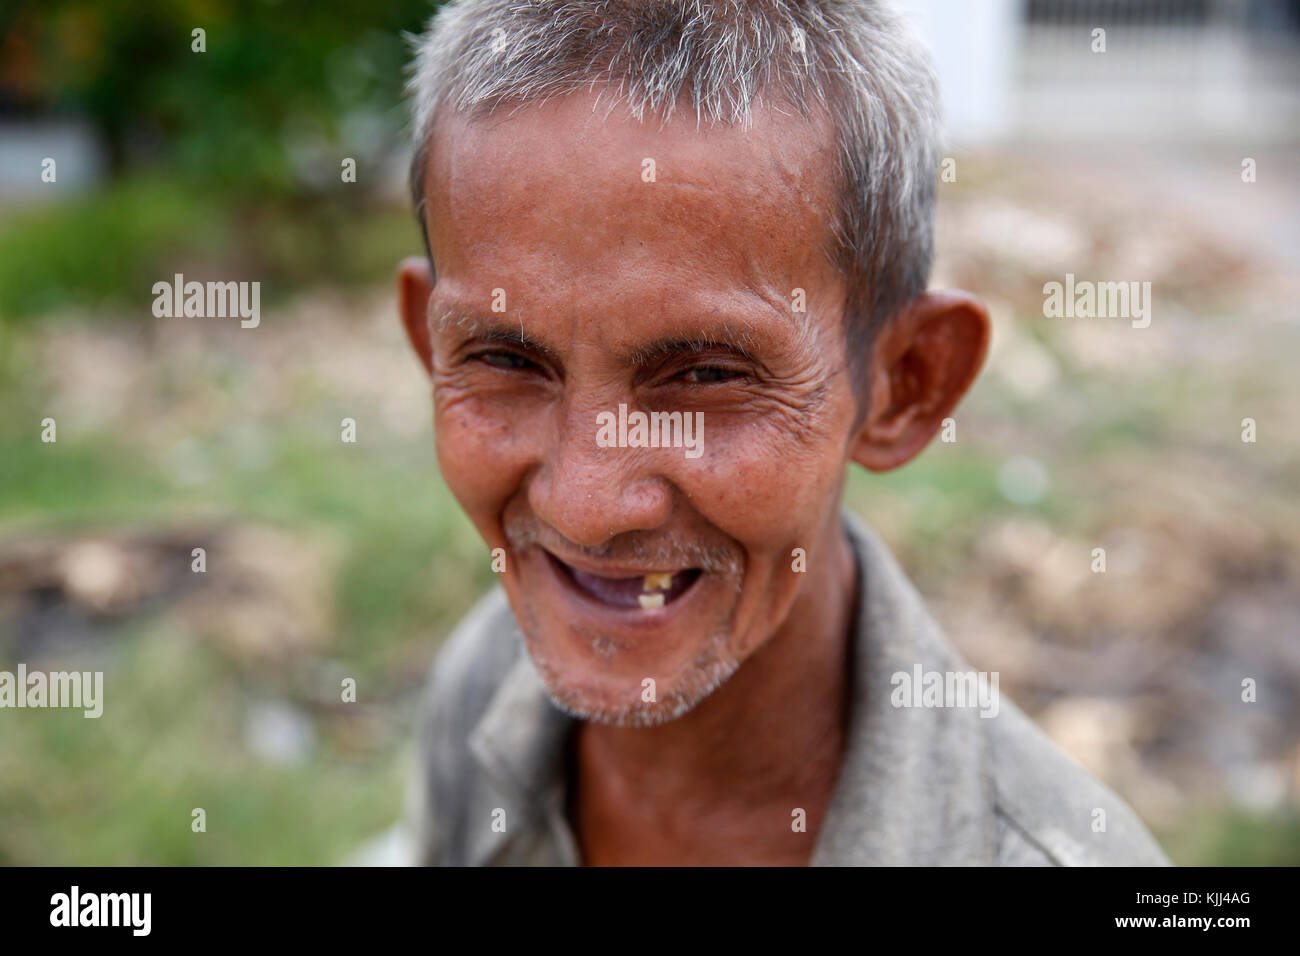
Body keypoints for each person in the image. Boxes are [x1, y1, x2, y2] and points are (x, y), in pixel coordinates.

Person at [392, 0, 1170, 866]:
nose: (583, 507)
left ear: (906, 384)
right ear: (432, 344)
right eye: (505, 358)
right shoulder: (489, 676)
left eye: (708, 377)